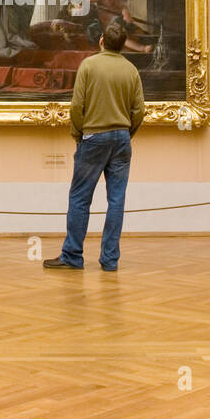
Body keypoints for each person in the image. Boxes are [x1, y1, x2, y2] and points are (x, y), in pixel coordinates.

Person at [44, 20, 145, 272]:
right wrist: (126, 132)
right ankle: (110, 260)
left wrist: (78, 134)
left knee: (80, 198)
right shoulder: (131, 70)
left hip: (93, 137)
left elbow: (77, 107)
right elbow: (139, 110)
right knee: (117, 200)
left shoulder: (89, 65)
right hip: (121, 138)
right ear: (123, 45)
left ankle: (72, 256)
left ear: (101, 40)